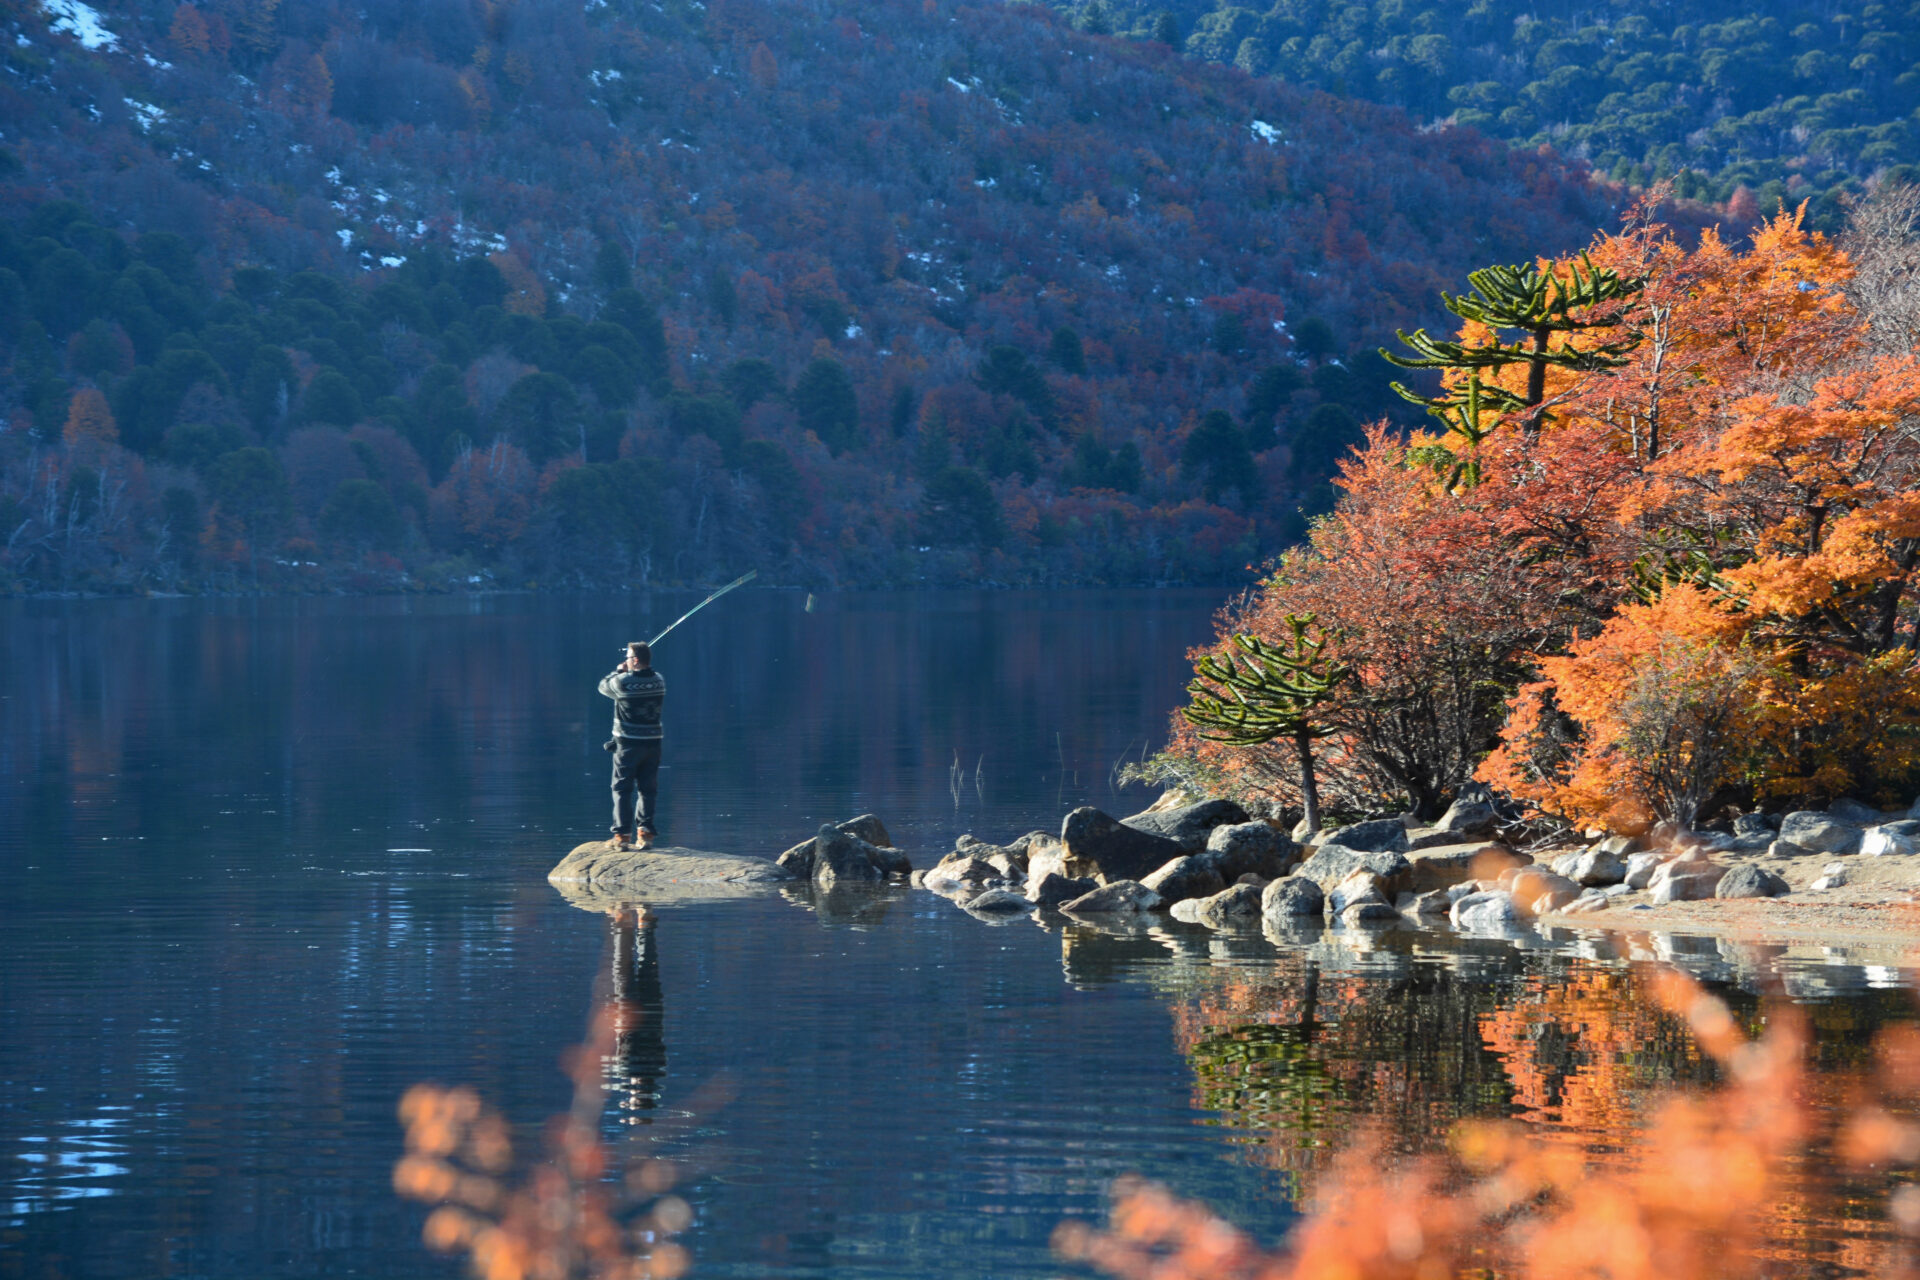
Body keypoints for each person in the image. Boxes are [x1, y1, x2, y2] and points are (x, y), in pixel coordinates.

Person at [599, 641, 665, 850]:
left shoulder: (623, 682)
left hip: (628, 745)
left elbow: (603, 686)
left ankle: (622, 836)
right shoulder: (659, 681)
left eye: (628, 657)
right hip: (653, 744)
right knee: (648, 789)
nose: (626, 660)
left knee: (621, 789)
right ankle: (645, 834)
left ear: (635, 660)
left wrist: (617, 670)